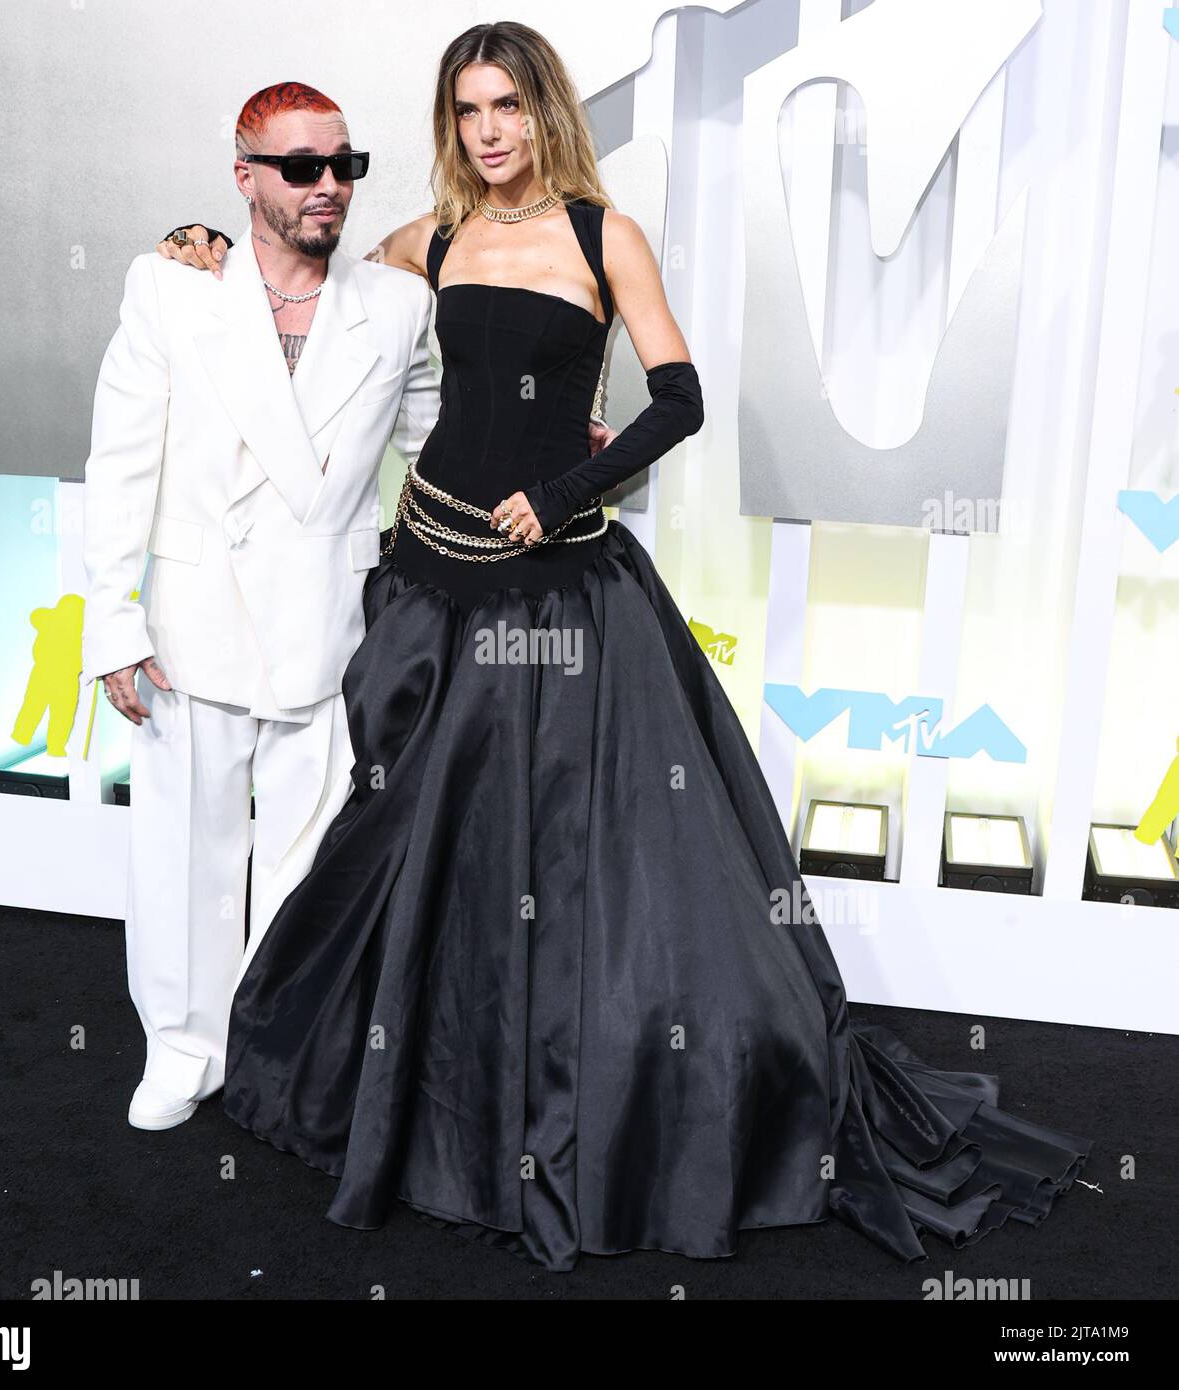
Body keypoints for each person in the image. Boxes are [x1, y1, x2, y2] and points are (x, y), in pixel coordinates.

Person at [154, 21, 1092, 1271]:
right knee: (416, 845)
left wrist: (573, 483)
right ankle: (411, 1088)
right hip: (431, 577)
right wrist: (205, 243)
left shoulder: (603, 236)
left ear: (546, 111)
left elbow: (682, 395)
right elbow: (300, 271)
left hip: (560, 591)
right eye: (468, 110)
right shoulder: (424, 241)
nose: (489, 131)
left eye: (508, 107)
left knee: (569, 860)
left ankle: (562, 1111)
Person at [81, 82, 442, 1131]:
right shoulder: (170, 288)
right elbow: (117, 466)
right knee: (183, 852)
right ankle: (180, 1044)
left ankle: (275, 1043)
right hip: (195, 619)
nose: (328, 187)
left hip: (329, 620)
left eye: (344, 166)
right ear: (245, 177)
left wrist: (562, 452)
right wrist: (112, 622)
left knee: (306, 857)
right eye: (301, 168)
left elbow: (435, 451)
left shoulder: (399, 306)